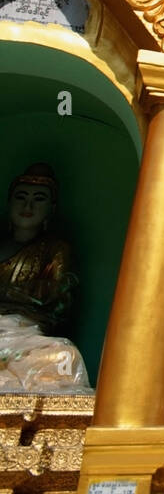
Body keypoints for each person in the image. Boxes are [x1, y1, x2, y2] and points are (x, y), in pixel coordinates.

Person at [0, 163, 89, 392]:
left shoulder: (55, 249)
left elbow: (60, 302)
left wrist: (17, 297)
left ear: (51, 208)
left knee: (65, 357)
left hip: (26, 339)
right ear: (9, 202)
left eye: (39, 199)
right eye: (21, 197)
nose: (28, 205)